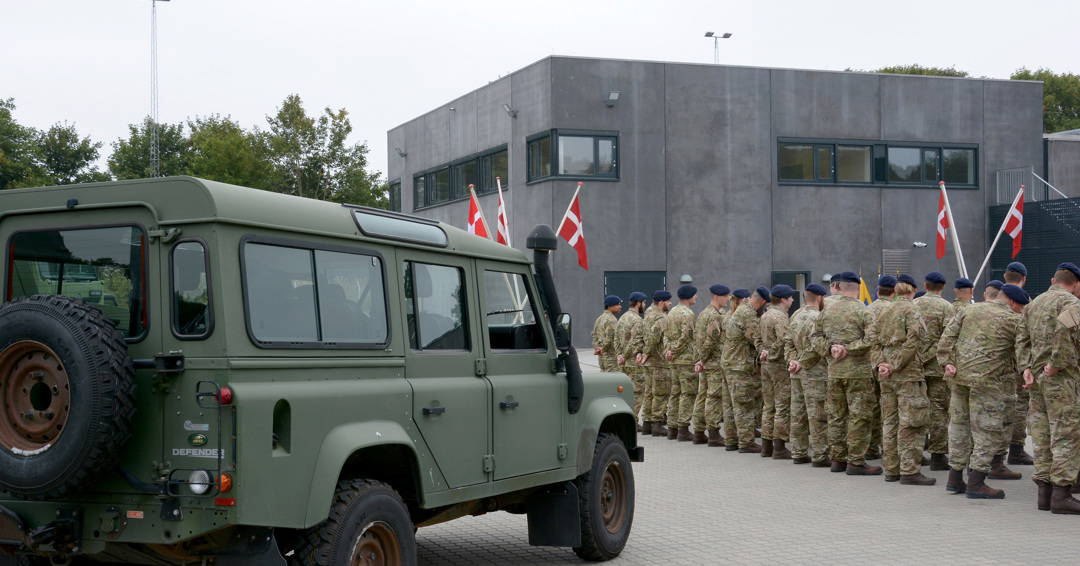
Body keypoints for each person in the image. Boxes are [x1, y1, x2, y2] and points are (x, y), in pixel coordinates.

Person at [938, 283, 1028, 499]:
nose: (1021, 312)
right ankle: (976, 483)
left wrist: (946, 362)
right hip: (987, 382)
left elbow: (946, 338)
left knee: (959, 427)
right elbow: (1024, 350)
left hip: (959, 379)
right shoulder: (1014, 320)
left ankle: (955, 479)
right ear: (1013, 302)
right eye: (1021, 308)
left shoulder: (969, 309)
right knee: (987, 431)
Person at [1016, 263, 1080, 513]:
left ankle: (1044, 494)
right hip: (1061, 379)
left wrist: (1025, 368)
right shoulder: (1071, 303)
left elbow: (1021, 338)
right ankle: (1061, 496)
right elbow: (1064, 334)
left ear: (1054, 280)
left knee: (1041, 435)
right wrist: (1056, 363)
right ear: (1076, 283)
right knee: (1066, 434)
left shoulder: (1033, 304)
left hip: (1036, 380)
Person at [811, 271, 882, 475]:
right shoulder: (864, 310)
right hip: (858, 373)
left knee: (836, 416)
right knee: (859, 417)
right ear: (858, 288)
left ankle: (838, 459)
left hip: (834, 372)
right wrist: (848, 349)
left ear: (839, 287)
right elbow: (872, 339)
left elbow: (814, 337)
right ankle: (855, 461)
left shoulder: (827, 310)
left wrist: (831, 349)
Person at [872, 274, 935, 485]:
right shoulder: (913, 309)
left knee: (889, 421)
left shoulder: (883, 309)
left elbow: (873, 341)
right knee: (911, 423)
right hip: (907, 374)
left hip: (886, 376)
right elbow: (915, 340)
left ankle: (891, 469)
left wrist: (882, 364)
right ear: (913, 290)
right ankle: (909, 471)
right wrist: (895, 363)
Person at [787, 284, 831, 467]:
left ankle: (798, 452)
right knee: (818, 415)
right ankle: (820, 455)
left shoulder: (795, 315)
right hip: (814, 373)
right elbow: (817, 347)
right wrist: (802, 362)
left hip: (796, 373)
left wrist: (792, 361)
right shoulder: (818, 317)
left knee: (797, 413)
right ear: (820, 298)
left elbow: (787, 342)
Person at [914, 271, 953, 471]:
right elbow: (949, 337)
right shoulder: (947, 308)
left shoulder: (913, 305)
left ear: (925, 284)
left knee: (916, 409)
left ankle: (916, 453)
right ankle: (938, 456)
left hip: (913, 367)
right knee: (938, 411)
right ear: (943, 287)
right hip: (938, 367)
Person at [721, 286, 767, 453]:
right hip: (739, 365)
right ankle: (746, 442)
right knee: (743, 404)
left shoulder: (739, 310)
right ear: (762, 302)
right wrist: (765, 351)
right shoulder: (748, 314)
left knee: (729, 405)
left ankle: (731, 440)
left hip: (729, 363)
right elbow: (756, 338)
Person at [759, 284, 794, 460]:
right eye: (791, 297)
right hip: (778, 365)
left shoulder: (765, 315)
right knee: (782, 405)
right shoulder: (780, 317)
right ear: (783, 299)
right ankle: (779, 447)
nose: (793, 300)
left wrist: (763, 352)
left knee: (768, 405)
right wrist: (772, 353)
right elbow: (784, 340)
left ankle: (766, 445)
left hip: (766, 365)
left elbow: (758, 338)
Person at [1004, 261, 1034, 466]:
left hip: (998, 367)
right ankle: (1016, 450)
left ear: (1006, 277)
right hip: (1019, 365)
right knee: (1020, 406)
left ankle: (995, 454)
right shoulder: (1027, 303)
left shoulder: (992, 298)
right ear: (1023, 278)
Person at [864, 275, 898, 461]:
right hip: (889, 366)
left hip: (869, 363)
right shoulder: (895, 310)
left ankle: (870, 448)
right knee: (889, 409)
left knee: (872, 407)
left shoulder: (867, 310)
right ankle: (889, 449)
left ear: (877, 291)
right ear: (894, 292)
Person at [693, 284, 731, 447]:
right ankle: (714, 434)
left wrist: (700, 359)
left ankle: (699, 431)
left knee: (703, 395)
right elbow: (711, 340)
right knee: (713, 398)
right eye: (726, 296)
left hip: (707, 361)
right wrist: (703, 359)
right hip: (713, 362)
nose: (728, 299)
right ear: (717, 297)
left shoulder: (703, 313)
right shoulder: (715, 316)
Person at [665, 285, 698, 442]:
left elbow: (665, 335)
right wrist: (675, 351)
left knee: (675, 392)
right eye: (694, 295)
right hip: (684, 359)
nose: (696, 297)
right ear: (689, 296)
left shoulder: (671, 312)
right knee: (688, 393)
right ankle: (683, 428)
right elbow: (686, 336)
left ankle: (672, 428)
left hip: (673, 359)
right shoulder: (687, 313)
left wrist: (668, 351)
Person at [641, 290, 673, 437]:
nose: (670, 304)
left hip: (649, 363)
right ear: (661, 303)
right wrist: (646, 352)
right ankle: (658, 424)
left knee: (649, 392)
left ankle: (647, 423)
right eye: (668, 301)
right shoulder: (661, 317)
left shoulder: (648, 313)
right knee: (660, 393)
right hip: (658, 361)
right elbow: (654, 337)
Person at [616, 291, 648, 431]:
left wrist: (619, 354)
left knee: (625, 392)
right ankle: (633, 421)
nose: (645, 306)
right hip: (633, 362)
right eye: (644, 303)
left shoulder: (622, 318)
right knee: (636, 393)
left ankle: (623, 420)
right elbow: (635, 341)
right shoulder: (637, 320)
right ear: (639, 303)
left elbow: (616, 339)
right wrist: (624, 354)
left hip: (623, 363)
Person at [592, 295, 621, 372]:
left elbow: (594, 335)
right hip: (610, 357)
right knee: (613, 380)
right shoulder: (612, 320)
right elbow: (610, 338)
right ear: (610, 306)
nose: (620, 307)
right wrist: (603, 349)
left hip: (601, 357)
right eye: (617, 304)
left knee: (604, 379)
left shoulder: (599, 319)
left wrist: (597, 348)